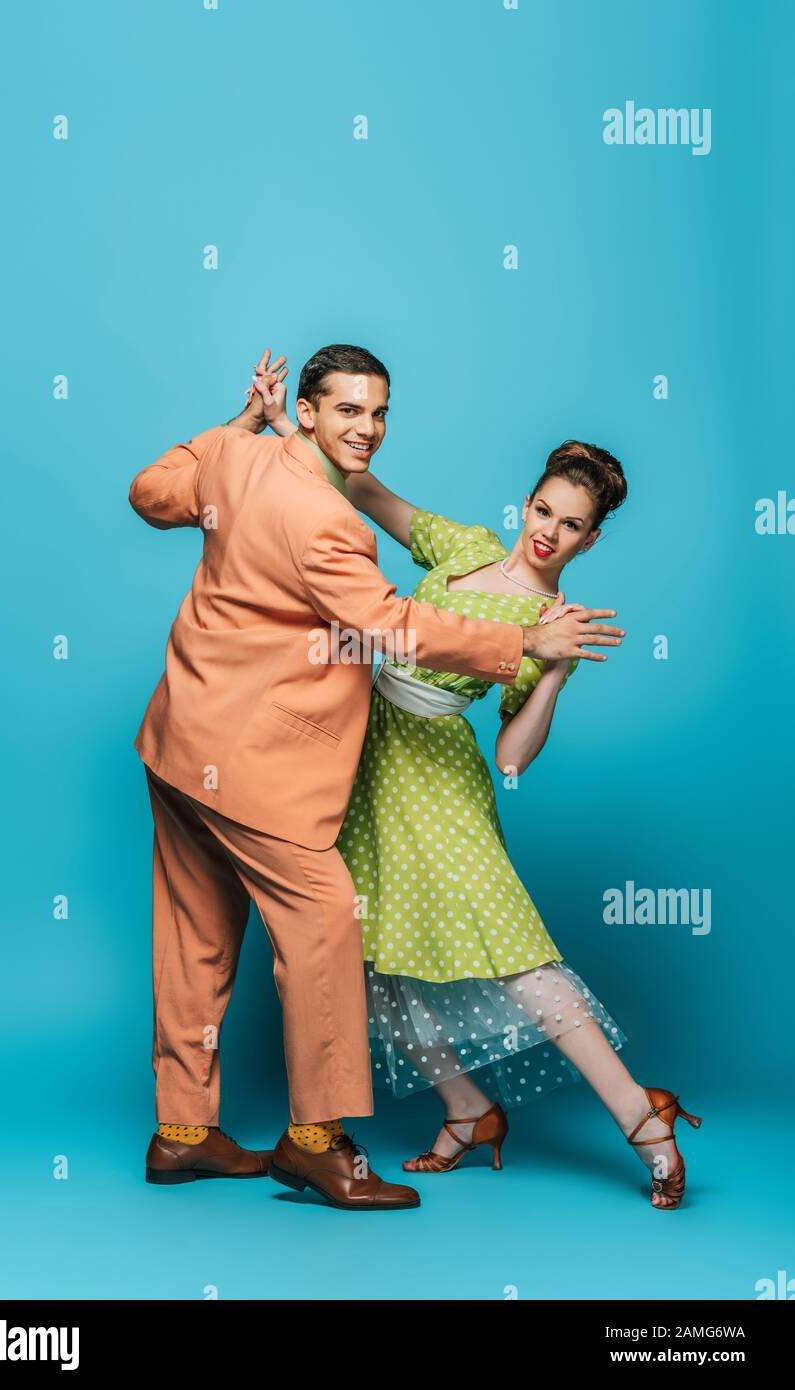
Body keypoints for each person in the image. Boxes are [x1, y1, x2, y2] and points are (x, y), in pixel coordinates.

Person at [128, 345, 625, 1212]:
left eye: (378, 411)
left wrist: (241, 424)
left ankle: (182, 1133)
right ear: (310, 411)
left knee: (196, 935)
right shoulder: (328, 522)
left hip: (178, 737)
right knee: (325, 925)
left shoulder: (231, 454)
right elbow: (390, 622)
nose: (367, 427)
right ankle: (316, 1145)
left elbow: (149, 491)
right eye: (348, 410)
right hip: (254, 764)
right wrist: (522, 646)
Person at [256, 370, 701, 1210]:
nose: (549, 534)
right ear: (523, 505)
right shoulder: (459, 547)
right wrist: (290, 423)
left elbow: (511, 756)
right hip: (363, 754)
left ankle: (642, 1118)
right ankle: (468, 1111)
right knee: (370, 957)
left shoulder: (557, 623)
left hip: (436, 776)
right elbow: (362, 487)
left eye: (571, 527)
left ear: (590, 540)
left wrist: (555, 674)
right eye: (542, 512)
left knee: (518, 959)